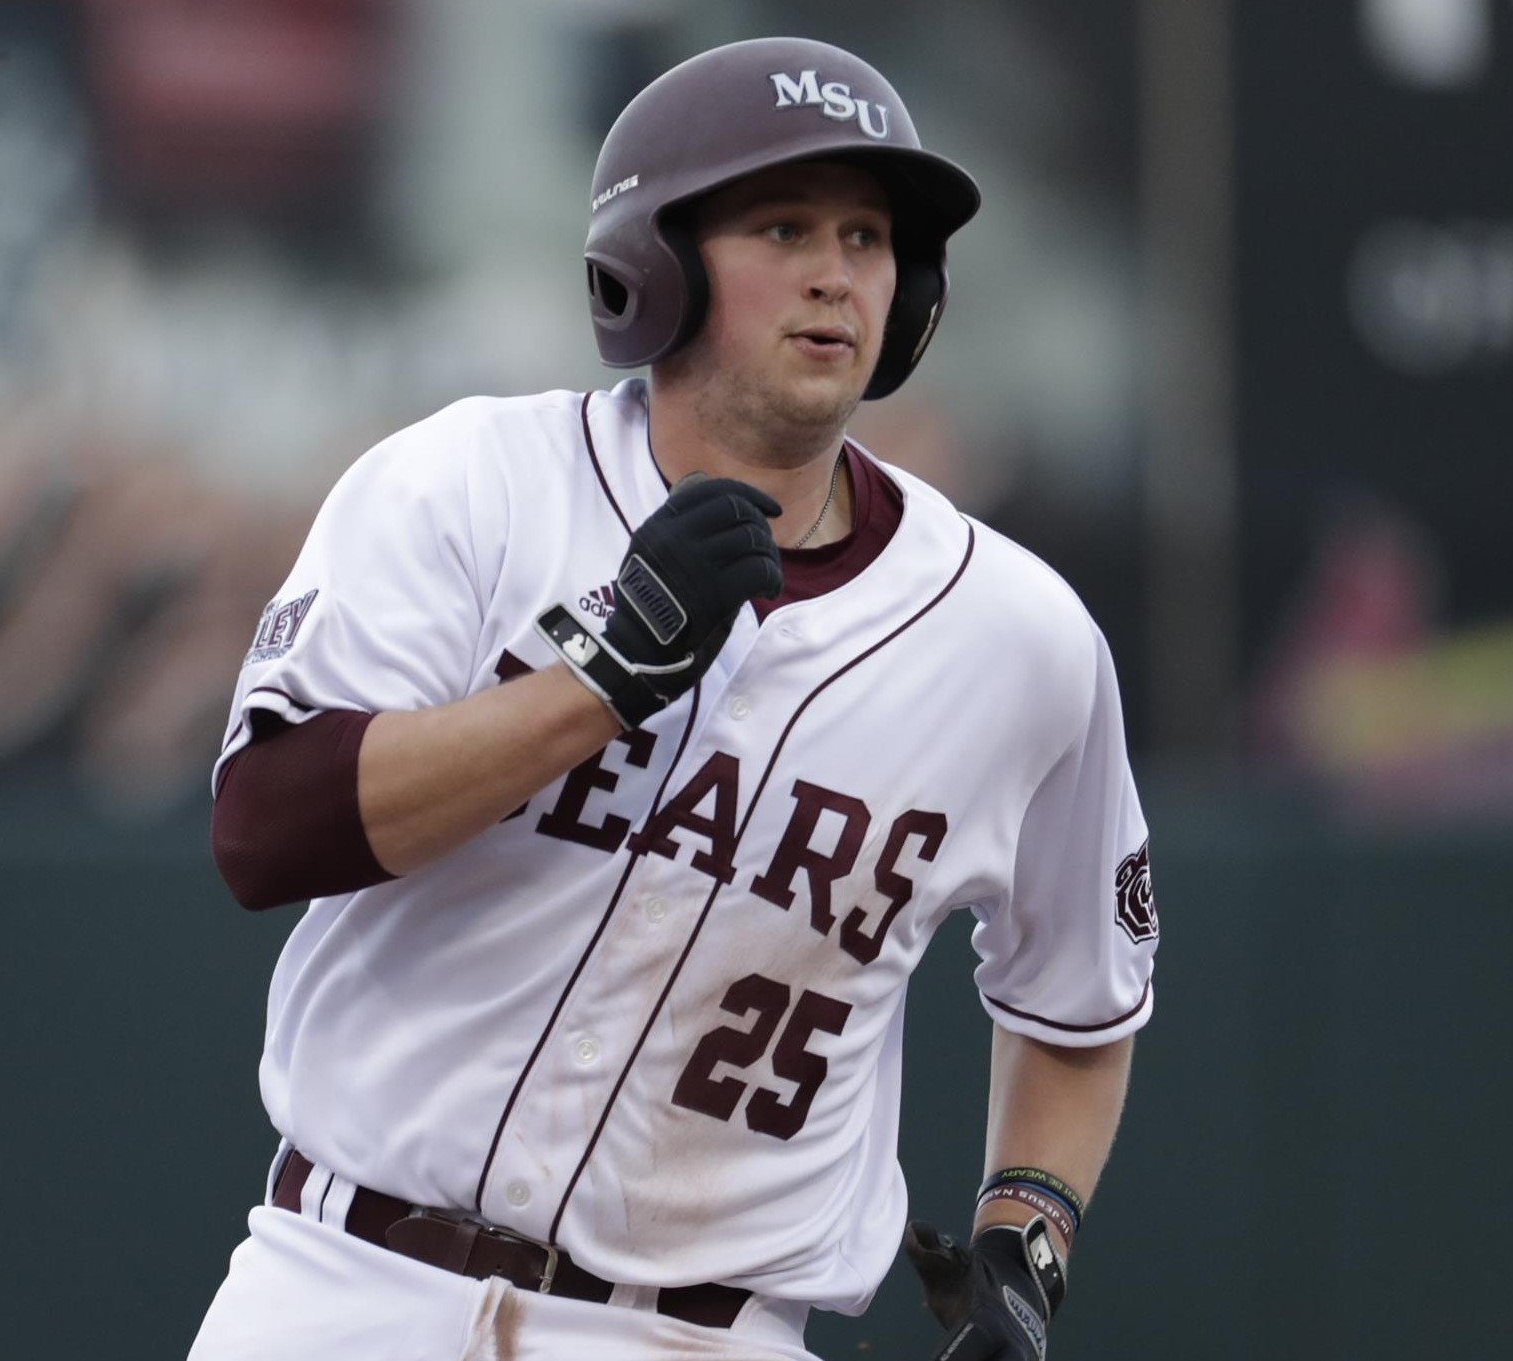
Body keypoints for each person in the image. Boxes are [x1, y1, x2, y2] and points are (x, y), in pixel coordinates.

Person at [189, 36, 1157, 1361]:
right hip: (350, 1287)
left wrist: (1024, 1232)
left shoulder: (1018, 638)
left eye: (870, 238)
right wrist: (596, 683)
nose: (836, 272)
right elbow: (265, 829)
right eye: (783, 224)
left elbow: (1080, 1001)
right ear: (653, 263)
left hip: (704, 1338)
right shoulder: (471, 487)